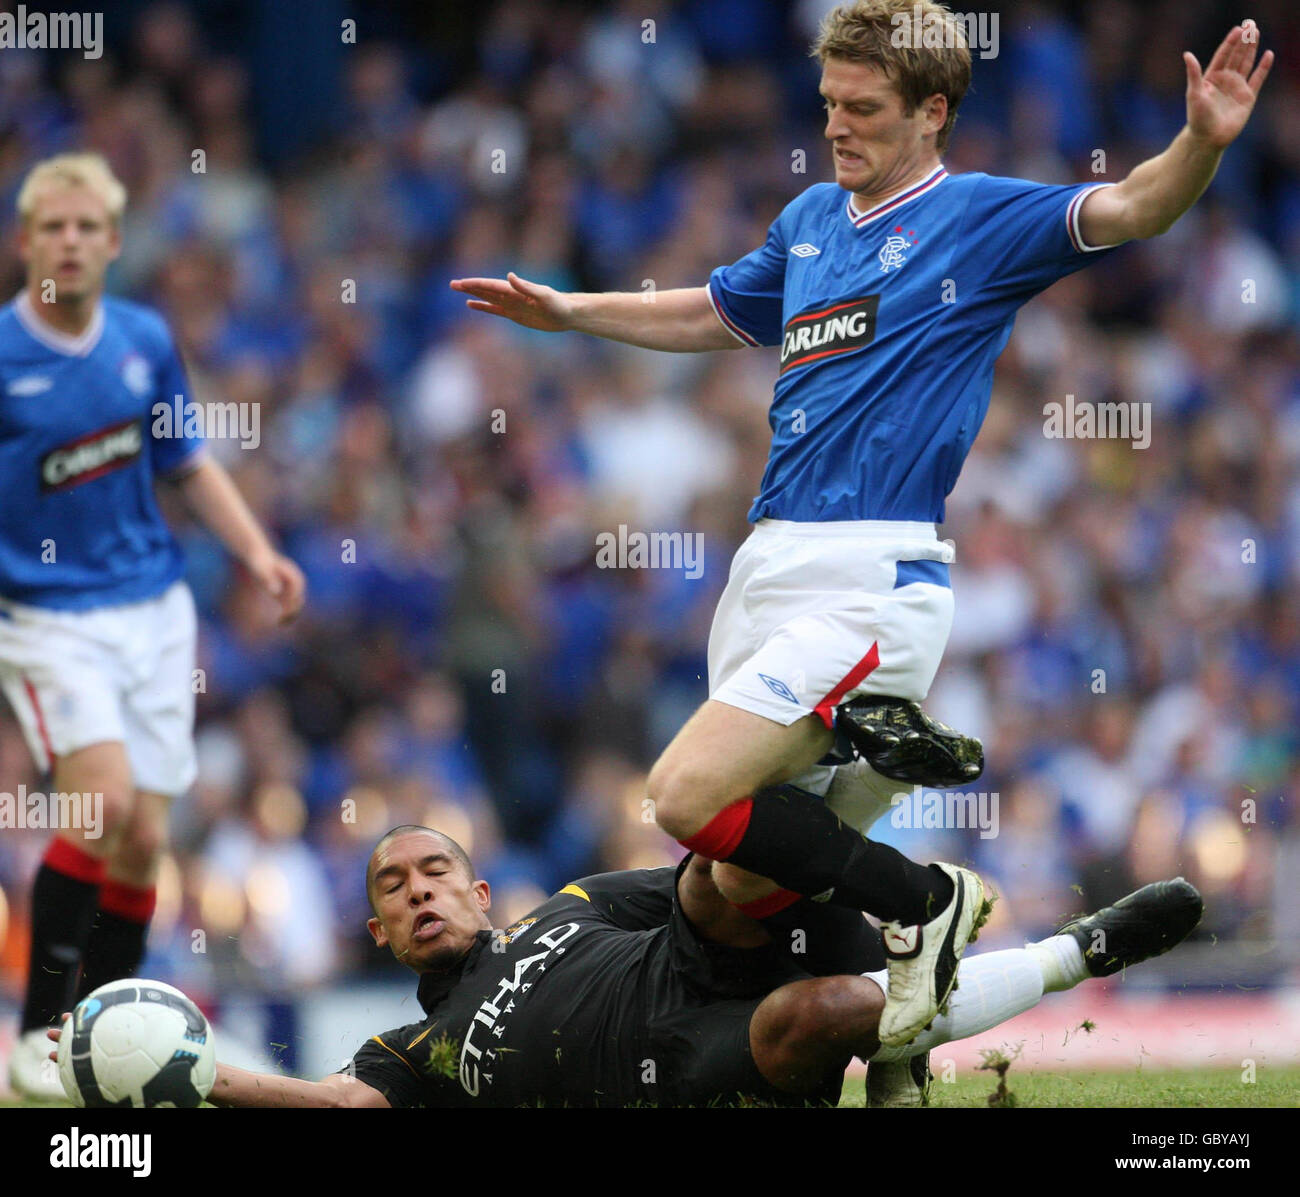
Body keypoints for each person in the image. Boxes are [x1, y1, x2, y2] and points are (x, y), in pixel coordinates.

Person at [449, 3, 1272, 1049]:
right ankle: (881, 780)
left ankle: (923, 900)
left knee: (681, 793)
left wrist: (1198, 141)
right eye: (829, 103)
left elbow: (1133, 209)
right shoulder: (808, 224)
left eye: (864, 108)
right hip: (765, 571)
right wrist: (573, 313)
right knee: (733, 890)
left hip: (870, 578)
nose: (836, 126)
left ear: (932, 112)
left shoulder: (976, 218)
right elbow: (711, 312)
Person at [138, 824, 1200, 1108]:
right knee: (814, 1015)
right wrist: (194, 1075)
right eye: (391, 887)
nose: (417, 891)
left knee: (714, 869)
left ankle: (886, 848)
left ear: (479, 893)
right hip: (682, 1065)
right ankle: (1079, 953)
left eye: (434, 872)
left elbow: (737, 886)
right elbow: (337, 1109)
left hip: (696, 953)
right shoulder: (410, 1048)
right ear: (376, 930)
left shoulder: (570, 903)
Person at [1, 152, 306, 1099]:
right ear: (26, 240)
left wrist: (256, 551)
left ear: (114, 242)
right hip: (49, 617)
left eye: (88, 227)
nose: (71, 241)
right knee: (98, 802)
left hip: (156, 612)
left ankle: (99, 1037)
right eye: (54, 226)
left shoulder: (142, 338)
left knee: (141, 840)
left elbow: (187, 460)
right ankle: (40, 1027)